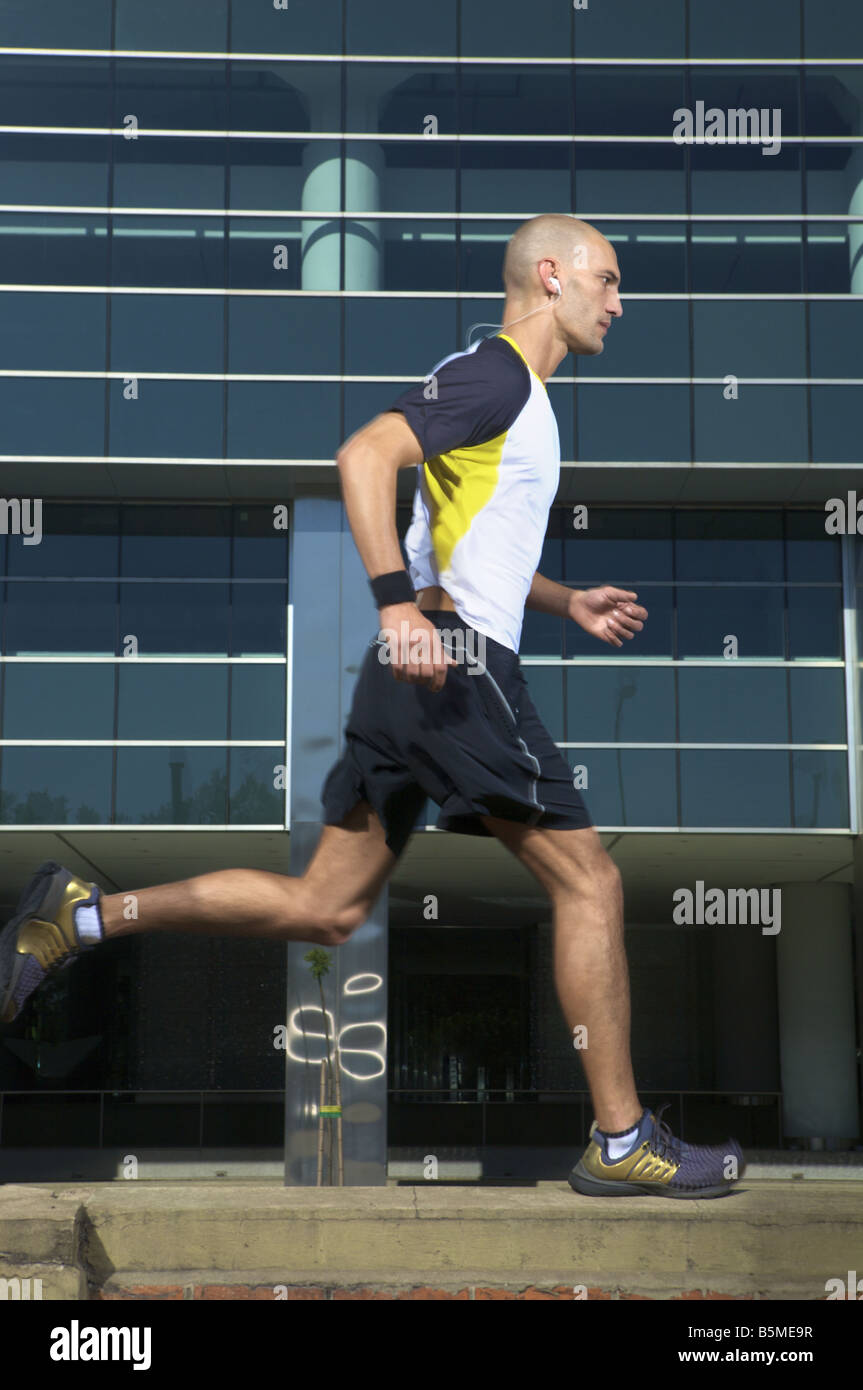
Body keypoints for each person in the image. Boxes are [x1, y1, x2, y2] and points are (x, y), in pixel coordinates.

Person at [0, 214, 744, 1197]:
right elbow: (362, 456)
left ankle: (83, 918)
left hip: (411, 675)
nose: (618, 301)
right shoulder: (498, 376)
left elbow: (460, 544)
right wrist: (394, 604)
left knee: (324, 905)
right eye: (607, 280)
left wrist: (566, 600)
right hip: (454, 669)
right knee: (590, 882)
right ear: (551, 277)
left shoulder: (503, 395)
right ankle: (618, 1139)